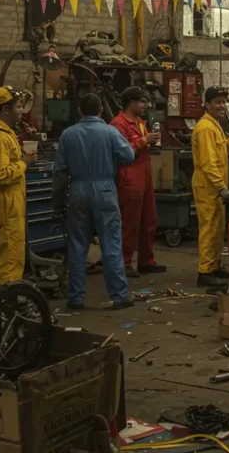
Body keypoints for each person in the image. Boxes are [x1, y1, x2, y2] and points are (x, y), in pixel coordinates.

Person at [54, 94, 136, 310]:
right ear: (101, 110)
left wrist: (58, 201)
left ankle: (76, 298)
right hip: (105, 189)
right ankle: (119, 297)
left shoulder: (68, 134)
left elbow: (59, 172)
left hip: (78, 190)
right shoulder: (110, 132)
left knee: (77, 245)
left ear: (79, 110)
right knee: (111, 243)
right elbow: (129, 155)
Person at [192, 87, 229, 287]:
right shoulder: (205, 127)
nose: (222, 106)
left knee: (217, 228)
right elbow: (208, 163)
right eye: (217, 102)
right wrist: (220, 187)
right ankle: (205, 272)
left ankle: (214, 266)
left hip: (215, 187)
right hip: (208, 187)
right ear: (207, 104)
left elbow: (222, 149)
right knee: (209, 229)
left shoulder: (214, 124)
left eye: (224, 102)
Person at [0, 86, 35, 286]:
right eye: (18, 107)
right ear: (5, 109)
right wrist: (23, 163)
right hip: (6, 201)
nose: (21, 111)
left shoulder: (4, 133)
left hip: (6, 201)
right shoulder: (0, 137)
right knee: (10, 257)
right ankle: (5, 299)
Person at [110, 87, 166, 277]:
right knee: (129, 221)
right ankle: (124, 263)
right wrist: (143, 140)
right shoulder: (118, 124)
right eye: (142, 101)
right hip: (129, 174)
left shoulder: (140, 122)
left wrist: (150, 141)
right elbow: (120, 152)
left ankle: (146, 260)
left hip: (144, 172)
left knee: (149, 218)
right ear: (131, 103)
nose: (146, 105)